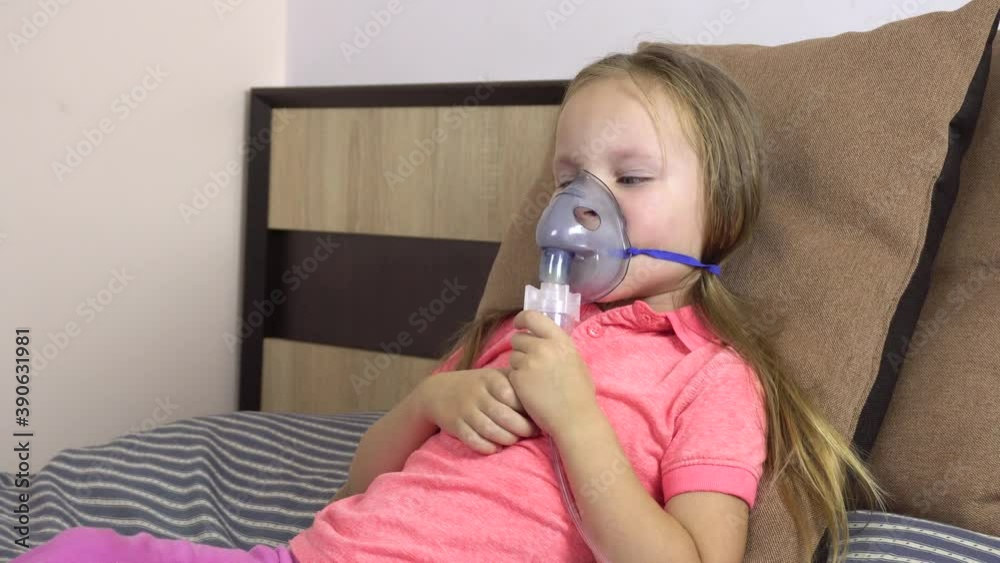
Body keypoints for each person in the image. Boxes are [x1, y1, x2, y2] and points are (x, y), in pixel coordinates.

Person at [13, 41, 883, 563]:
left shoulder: (709, 378)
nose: (584, 204)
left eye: (629, 177)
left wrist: (577, 419)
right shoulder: (514, 329)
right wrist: (430, 401)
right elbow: (361, 481)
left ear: (721, 210)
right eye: (568, 176)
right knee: (72, 548)